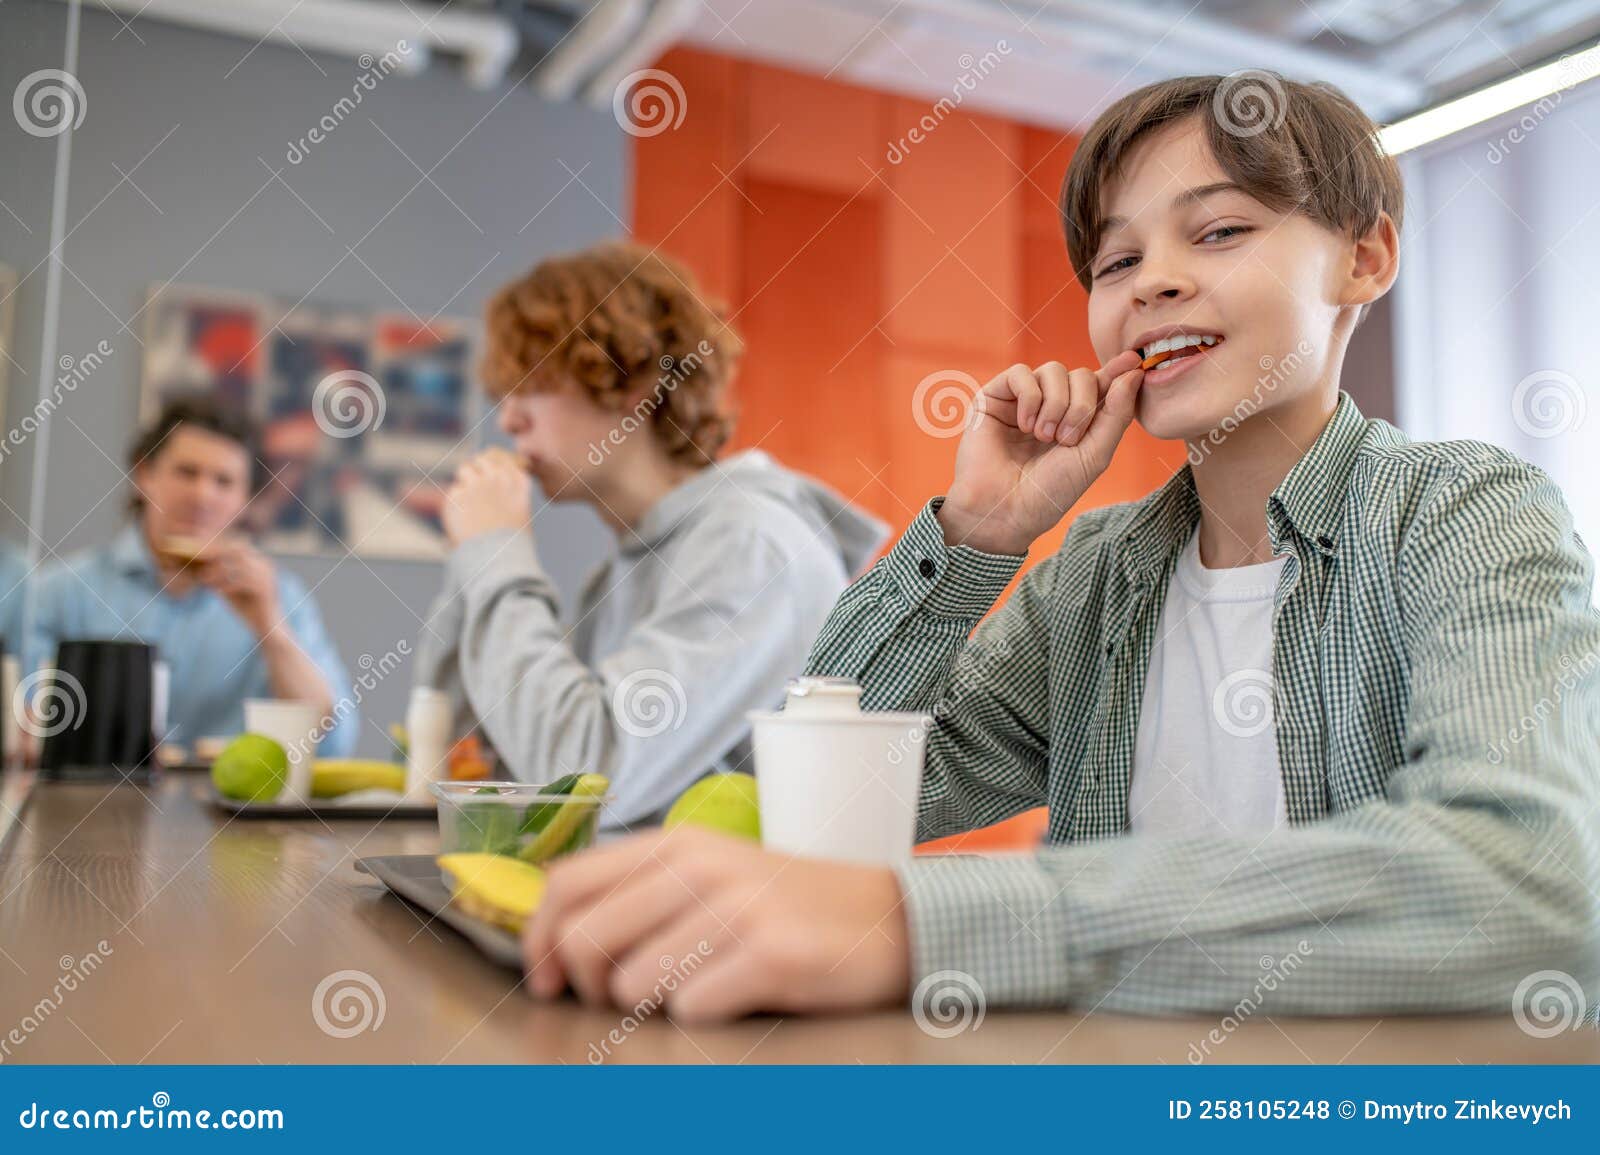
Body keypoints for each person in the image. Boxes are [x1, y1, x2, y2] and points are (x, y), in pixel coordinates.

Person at [518, 74, 1600, 1024]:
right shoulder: (1095, 574)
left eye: (1217, 231)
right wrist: (976, 536)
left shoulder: (1466, 513)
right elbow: (827, 799)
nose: (1151, 281)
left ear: (1363, 259)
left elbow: (1527, 880)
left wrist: (919, 925)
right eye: (1115, 257)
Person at [414, 242, 887, 828]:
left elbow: (583, 783)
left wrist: (496, 557)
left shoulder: (752, 548)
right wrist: (473, 562)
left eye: (531, 383)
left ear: (633, 378)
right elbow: (455, 754)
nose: (509, 421)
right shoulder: (618, 574)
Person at [26, 398, 355, 755]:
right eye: (187, 472)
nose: (202, 495)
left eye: (224, 481)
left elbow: (332, 744)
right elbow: (22, 728)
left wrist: (270, 629)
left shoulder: (282, 598)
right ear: (144, 474)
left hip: (229, 806)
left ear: (245, 500)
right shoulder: (59, 592)